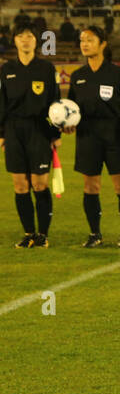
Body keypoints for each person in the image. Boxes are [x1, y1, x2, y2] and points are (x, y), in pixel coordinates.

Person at [66, 26, 120, 247]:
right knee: (91, 187)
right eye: (82, 40)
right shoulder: (77, 76)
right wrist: (67, 124)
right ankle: (94, 234)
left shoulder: (116, 73)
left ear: (102, 44)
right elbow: (70, 108)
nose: (85, 44)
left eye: (90, 40)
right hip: (87, 134)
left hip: (114, 134)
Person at [2, 23, 60, 247]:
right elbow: (2, 102)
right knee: (19, 185)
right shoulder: (7, 69)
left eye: (29, 36)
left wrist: (55, 134)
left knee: (40, 184)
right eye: (20, 36)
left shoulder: (46, 68)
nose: (25, 40)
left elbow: (54, 102)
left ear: (37, 42)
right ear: (14, 40)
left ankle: (42, 235)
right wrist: (1, 133)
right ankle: (28, 234)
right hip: (13, 129)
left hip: (39, 129)